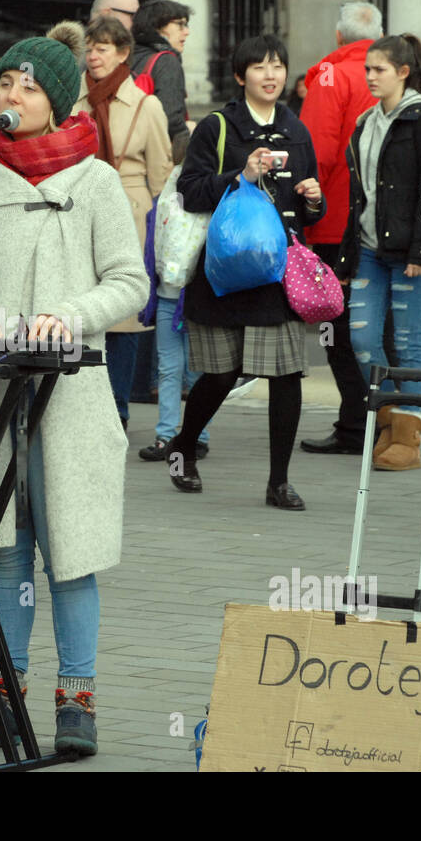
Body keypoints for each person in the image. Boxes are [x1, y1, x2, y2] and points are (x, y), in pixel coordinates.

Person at [0, 27, 147, 757]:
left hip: (70, 397)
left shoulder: (97, 179)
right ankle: (2, 699)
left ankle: (76, 704)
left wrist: (71, 317)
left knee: (69, 553)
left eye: (30, 86)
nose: (11, 94)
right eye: (5, 81)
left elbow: (129, 281)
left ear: (58, 99)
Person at [170, 34, 324, 507]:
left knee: (285, 374)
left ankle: (279, 481)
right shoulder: (217, 127)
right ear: (241, 77)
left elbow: (306, 213)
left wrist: (314, 200)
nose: (271, 75)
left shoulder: (296, 129)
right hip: (223, 270)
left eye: (277, 66)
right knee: (220, 375)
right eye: (259, 67)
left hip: (275, 274)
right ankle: (183, 448)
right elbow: (190, 191)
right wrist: (242, 177)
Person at [334, 34, 421, 473]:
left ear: (403, 72)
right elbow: (360, 195)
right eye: (367, 69)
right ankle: (395, 418)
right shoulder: (367, 121)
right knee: (362, 338)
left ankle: (408, 435)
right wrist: (346, 256)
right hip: (369, 249)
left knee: (408, 342)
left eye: (378, 70)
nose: (370, 77)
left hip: (413, 253)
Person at [72, 16, 172, 433]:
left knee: (123, 313)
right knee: (82, 307)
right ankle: (82, 401)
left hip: (130, 207)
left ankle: (117, 408)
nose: (94, 56)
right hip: (78, 206)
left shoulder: (146, 106)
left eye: (104, 48)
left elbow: (162, 174)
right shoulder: (71, 102)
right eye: (90, 47)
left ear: (123, 53)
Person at [298, 1, 380, 455]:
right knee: (376, 324)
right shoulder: (390, 73)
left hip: (335, 222)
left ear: (337, 36)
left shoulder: (332, 76)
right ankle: (394, 417)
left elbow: (318, 153)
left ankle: (354, 424)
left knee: (339, 327)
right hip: (380, 223)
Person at [129, 0, 193, 163]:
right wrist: (189, 132)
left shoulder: (126, 56)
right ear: (158, 26)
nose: (187, 32)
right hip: (154, 158)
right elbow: (171, 118)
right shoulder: (166, 61)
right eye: (180, 24)